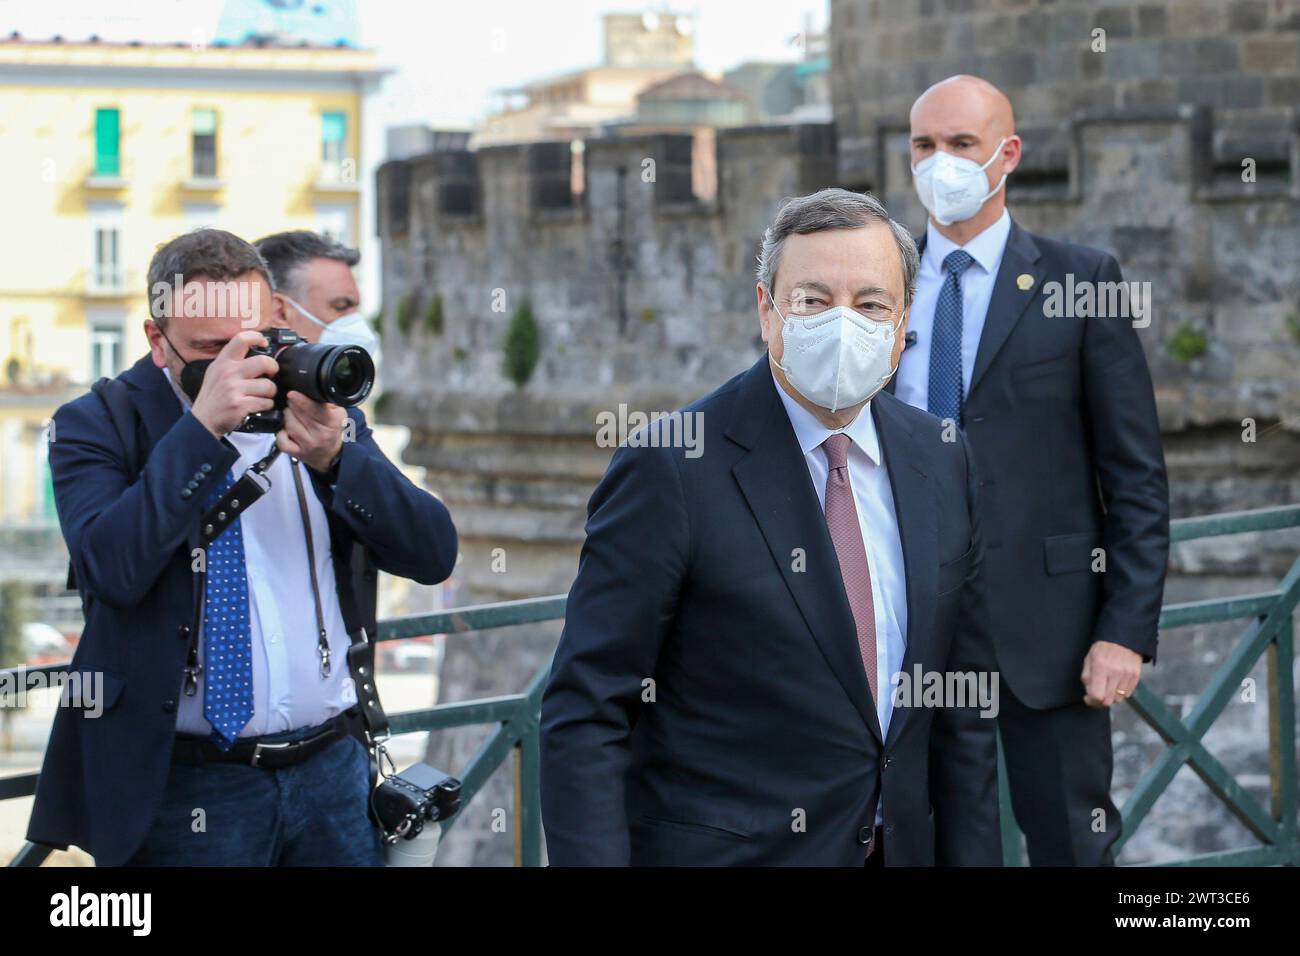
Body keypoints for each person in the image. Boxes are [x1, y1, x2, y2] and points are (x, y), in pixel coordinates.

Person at [540, 188, 1001, 866]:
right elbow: (587, 712)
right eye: (812, 300)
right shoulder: (673, 466)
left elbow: (963, 706)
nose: (843, 323)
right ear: (767, 311)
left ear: (904, 323)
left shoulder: (941, 454)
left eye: (871, 303)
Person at [26, 228, 458, 866]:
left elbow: (432, 554)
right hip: (187, 784)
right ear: (156, 340)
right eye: (208, 351)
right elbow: (112, 569)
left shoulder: (314, 408)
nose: (237, 366)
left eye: (250, 343)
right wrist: (202, 429)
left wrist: (339, 458)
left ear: (274, 321)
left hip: (331, 771)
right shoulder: (98, 423)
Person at [891, 75, 1170, 865]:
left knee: (1073, 845)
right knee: (947, 846)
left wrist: (1125, 631)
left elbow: (1137, 475)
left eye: (961, 145)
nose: (938, 162)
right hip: (918, 628)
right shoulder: (881, 288)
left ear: (1007, 155)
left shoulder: (1081, 281)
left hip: (1051, 633)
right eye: (923, 145)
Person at [254, 230, 380, 355]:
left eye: (356, 309)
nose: (358, 326)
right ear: (280, 312)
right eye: (340, 307)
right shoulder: (240, 373)